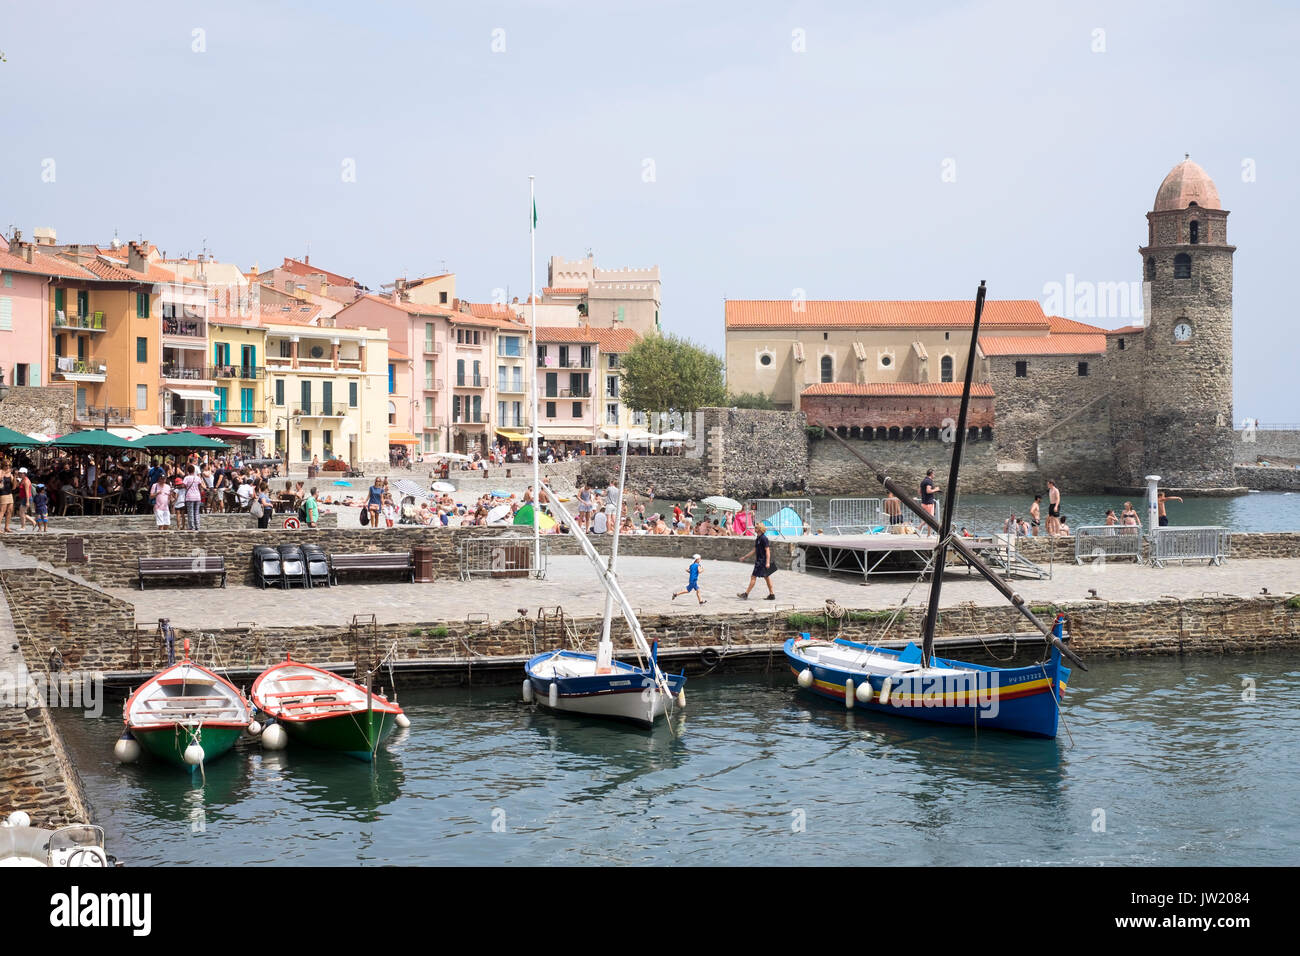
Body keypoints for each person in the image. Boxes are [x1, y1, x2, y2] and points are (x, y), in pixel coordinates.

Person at [738, 521, 776, 600]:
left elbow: (768, 551)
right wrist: (745, 557)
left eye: (756, 527)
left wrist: (768, 562)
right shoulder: (758, 538)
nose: (754, 528)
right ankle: (772, 594)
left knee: (753, 577)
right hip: (760, 561)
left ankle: (746, 594)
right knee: (766, 577)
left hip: (762, 562)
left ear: (760, 529)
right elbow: (754, 550)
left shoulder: (764, 538)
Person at [181, 464, 204, 531]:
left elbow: (183, 485)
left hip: (189, 497)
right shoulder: (197, 478)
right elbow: (200, 486)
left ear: (188, 471)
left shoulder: (186, 478)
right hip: (197, 497)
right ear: (194, 470)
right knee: (196, 512)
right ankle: (197, 526)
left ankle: (192, 527)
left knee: (190, 512)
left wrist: (187, 487)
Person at [919, 469, 939, 536]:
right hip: (929, 503)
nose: (934, 475)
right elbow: (928, 491)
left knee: (928, 518)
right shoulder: (929, 481)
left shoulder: (923, 481)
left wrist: (924, 496)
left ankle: (928, 534)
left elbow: (919, 492)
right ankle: (919, 528)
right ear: (931, 474)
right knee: (930, 518)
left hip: (923, 502)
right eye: (934, 474)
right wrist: (935, 489)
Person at [0, 466, 13, 533]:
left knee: (9, 510)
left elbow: (14, 486)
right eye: (6, 465)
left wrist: (14, 476)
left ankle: (6, 527)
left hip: (9, 493)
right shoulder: (1, 471)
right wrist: (4, 473)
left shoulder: (10, 474)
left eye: (9, 465)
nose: (8, 467)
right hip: (3, 493)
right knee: (2, 511)